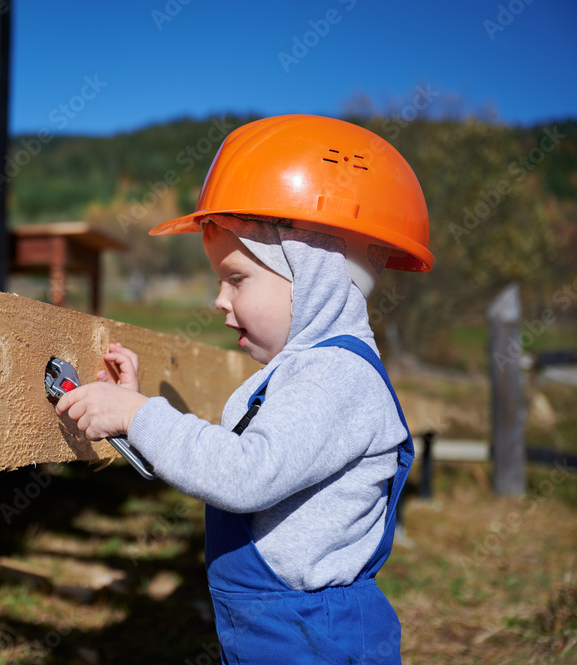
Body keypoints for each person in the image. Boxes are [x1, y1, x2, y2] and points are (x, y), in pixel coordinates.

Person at [55, 114, 432, 664]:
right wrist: (132, 419)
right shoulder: (296, 374)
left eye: (236, 279)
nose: (219, 300)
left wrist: (140, 415)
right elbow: (216, 462)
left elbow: (243, 474)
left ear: (315, 273)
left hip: (316, 637)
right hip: (277, 628)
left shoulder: (337, 380)